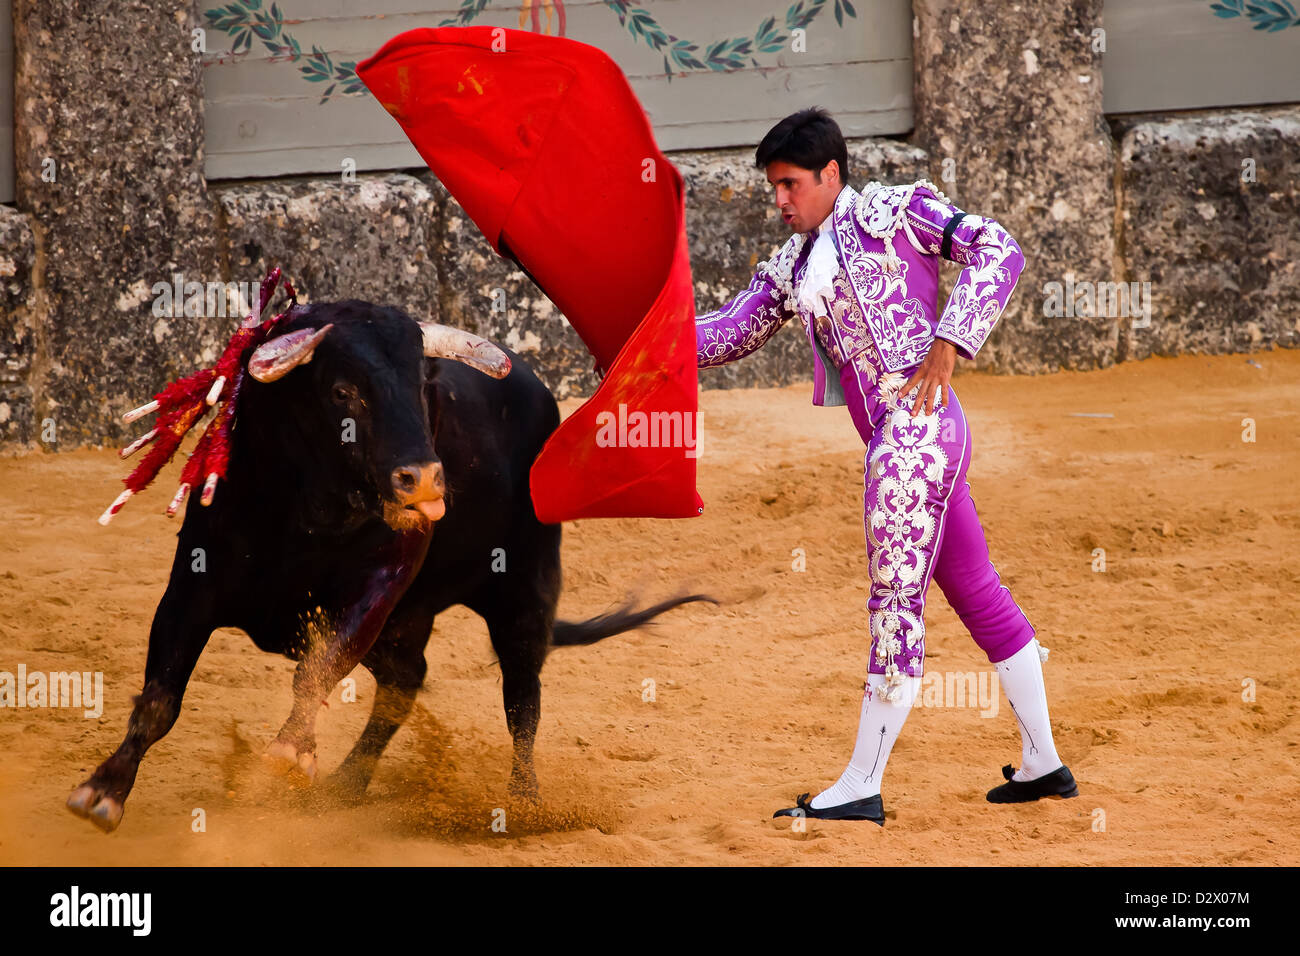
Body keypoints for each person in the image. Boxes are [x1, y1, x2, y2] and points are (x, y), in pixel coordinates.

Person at [695, 107, 1077, 824]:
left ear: (830, 174)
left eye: (789, 184)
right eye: (772, 187)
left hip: (918, 438)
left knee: (895, 606)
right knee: (974, 589)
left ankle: (861, 784)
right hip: (900, 445)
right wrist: (644, 339)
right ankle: (1043, 763)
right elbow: (725, 333)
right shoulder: (795, 265)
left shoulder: (897, 211)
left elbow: (1000, 248)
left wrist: (950, 343)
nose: (778, 200)